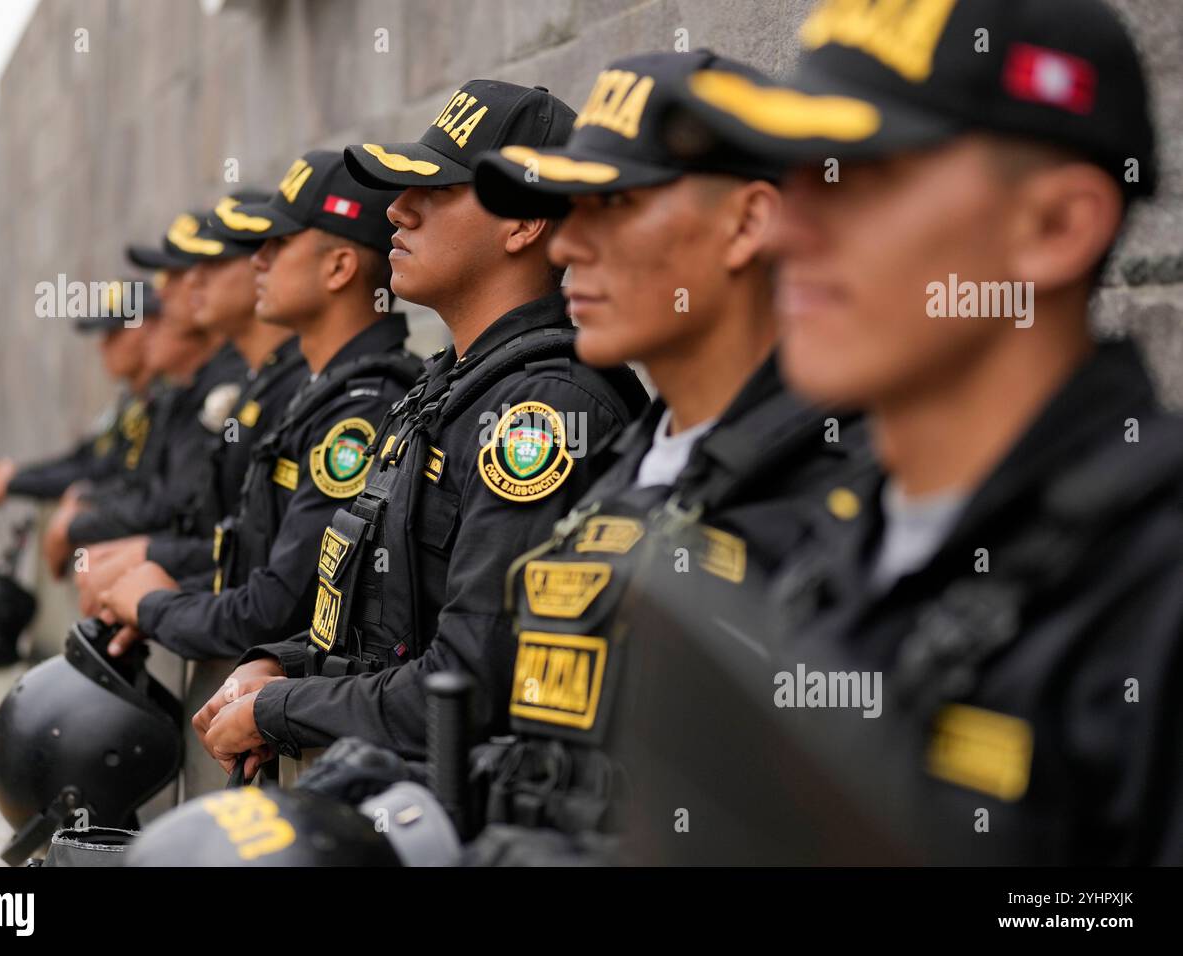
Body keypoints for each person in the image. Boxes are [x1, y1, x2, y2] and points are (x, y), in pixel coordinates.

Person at [668, 0, 1183, 864]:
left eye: (855, 173)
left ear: (1056, 227)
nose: (785, 230)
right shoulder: (846, 527)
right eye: (793, 174)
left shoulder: (1155, 587)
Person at [449, 49, 870, 851]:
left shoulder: (841, 496)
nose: (568, 246)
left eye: (615, 204)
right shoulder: (631, 462)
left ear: (747, 223)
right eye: (567, 209)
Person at [195, 80, 649, 772]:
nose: (399, 211)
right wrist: (280, 665)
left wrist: (277, 709)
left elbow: (462, 689)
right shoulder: (449, 387)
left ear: (523, 221)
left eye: (436, 192)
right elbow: (387, 634)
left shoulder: (543, 414)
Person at [95, 152, 421, 661]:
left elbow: (276, 610)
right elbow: (256, 566)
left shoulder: (360, 409)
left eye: (279, 244)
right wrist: (162, 588)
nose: (259, 260)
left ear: (339, 267)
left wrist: (157, 604)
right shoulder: (323, 389)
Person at [75, 192, 308, 607]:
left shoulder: (292, 386)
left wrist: (160, 600)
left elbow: (282, 584)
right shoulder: (256, 383)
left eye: (212, 264)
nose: (175, 289)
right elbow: (234, 545)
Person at [41, 211, 247, 576]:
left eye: (150, 322)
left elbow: (175, 509)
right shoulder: (184, 391)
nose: (164, 291)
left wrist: (84, 528)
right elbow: (129, 478)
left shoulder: (230, 384)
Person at [0, 280, 158, 506]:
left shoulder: (161, 401)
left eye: (114, 332)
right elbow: (85, 459)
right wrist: (14, 477)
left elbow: (99, 474)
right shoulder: (132, 400)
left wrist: (13, 482)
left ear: (146, 329)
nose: (102, 345)